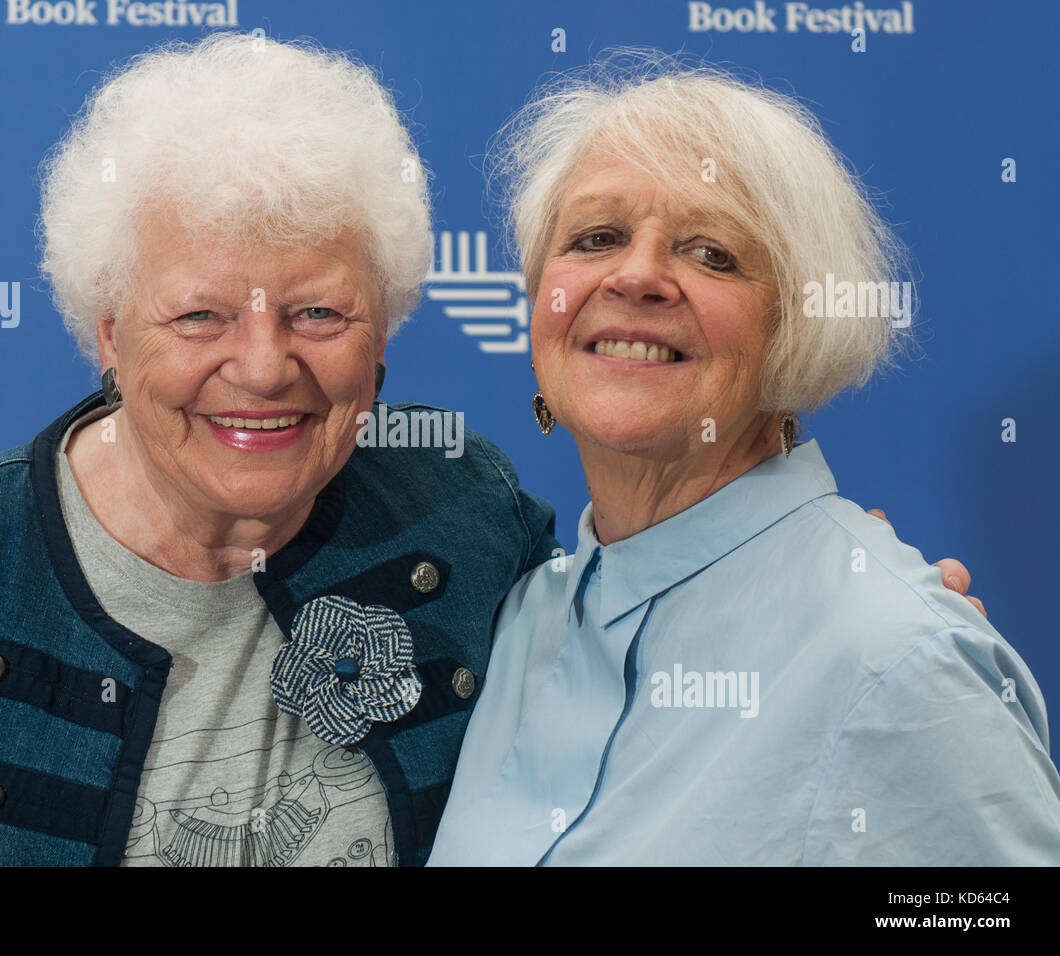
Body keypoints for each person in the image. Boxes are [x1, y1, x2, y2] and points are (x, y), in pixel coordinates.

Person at [0, 37, 981, 868]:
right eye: (200, 315)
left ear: (385, 335)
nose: (262, 362)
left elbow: (693, 594)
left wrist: (833, 598)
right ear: (108, 329)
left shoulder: (465, 517)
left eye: (317, 313)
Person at [428, 54, 1060, 865]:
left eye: (711, 253)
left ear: (795, 327)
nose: (637, 274)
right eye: (597, 237)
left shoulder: (897, 657)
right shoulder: (515, 622)